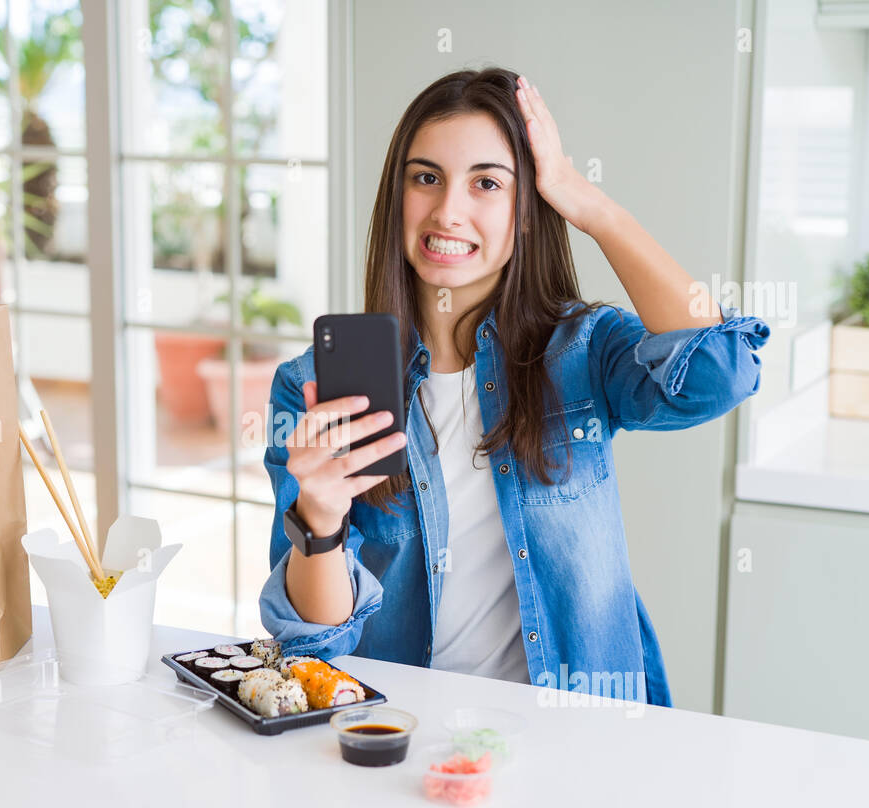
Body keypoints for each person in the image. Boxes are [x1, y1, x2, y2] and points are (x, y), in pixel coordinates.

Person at [257, 68, 769, 706]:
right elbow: (315, 643)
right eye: (426, 178)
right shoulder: (308, 388)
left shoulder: (583, 350)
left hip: (575, 736)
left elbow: (721, 371)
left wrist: (588, 204)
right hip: (400, 737)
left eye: (487, 183)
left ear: (528, 211)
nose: (448, 210)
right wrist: (321, 521)